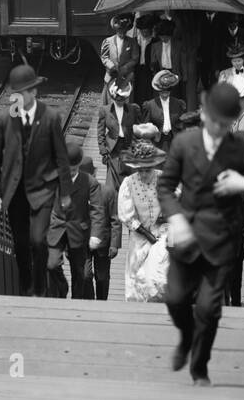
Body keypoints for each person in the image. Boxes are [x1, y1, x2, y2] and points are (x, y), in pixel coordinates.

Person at [158, 82, 244, 385]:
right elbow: (164, 187)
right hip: (185, 235)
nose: (218, 128)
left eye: (224, 124)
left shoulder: (239, 147)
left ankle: (199, 367)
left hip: (220, 241)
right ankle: (186, 339)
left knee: (209, 309)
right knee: (175, 299)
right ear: (204, 112)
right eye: (214, 121)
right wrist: (175, 218)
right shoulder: (183, 143)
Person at [0, 64, 72, 298]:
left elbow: (61, 157)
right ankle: (26, 288)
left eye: (22, 93)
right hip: (15, 193)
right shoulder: (5, 120)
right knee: (21, 244)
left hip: (43, 189)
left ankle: (40, 291)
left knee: (37, 240)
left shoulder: (50, 117)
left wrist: (65, 193)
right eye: (15, 93)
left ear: (34, 92)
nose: (18, 97)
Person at [118, 126, 170, 302]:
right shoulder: (129, 183)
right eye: (140, 170)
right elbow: (127, 216)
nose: (144, 174)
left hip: (161, 232)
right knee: (135, 274)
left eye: (147, 170)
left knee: (158, 276)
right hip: (140, 235)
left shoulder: (163, 178)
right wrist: (147, 235)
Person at [46, 142, 105, 300]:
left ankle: (76, 303)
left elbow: (97, 210)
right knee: (51, 265)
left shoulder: (90, 182)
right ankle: (62, 286)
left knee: (79, 274)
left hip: (79, 229)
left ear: (79, 165)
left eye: (73, 169)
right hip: (57, 226)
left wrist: (96, 235)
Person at [84, 157, 121, 301]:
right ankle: (89, 302)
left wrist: (114, 244)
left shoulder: (108, 192)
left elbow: (115, 220)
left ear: (94, 173)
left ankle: (102, 301)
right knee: (85, 275)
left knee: (102, 277)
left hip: (104, 242)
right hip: (82, 241)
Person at [98, 75, 141, 193]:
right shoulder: (105, 110)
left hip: (128, 146)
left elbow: (137, 129)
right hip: (112, 147)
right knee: (111, 183)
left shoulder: (133, 109)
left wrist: (138, 146)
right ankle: (112, 204)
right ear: (113, 98)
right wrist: (103, 149)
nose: (120, 102)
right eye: (118, 100)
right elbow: (100, 131)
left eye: (122, 100)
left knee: (128, 179)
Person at [100, 13, 140, 104]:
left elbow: (135, 58)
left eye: (124, 31)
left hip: (126, 76)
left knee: (125, 101)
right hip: (112, 75)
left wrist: (125, 67)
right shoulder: (108, 41)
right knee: (111, 100)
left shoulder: (132, 42)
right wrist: (111, 66)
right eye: (119, 31)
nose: (122, 33)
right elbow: (104, 57)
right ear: (116, 30)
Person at [140, 69, 188, 140]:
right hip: (157, 141)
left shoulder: (178, 103)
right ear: (158, 90)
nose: (165, 93)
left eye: (167, 90)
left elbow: (182, 123)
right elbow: (146, 127)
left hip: (174, 139)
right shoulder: (150, 105)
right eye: (162, 91)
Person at [128, 12, 156, 106]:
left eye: (146, 31)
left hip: (149, 70)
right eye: (142, 31)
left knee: (149, 93)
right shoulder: (135, 41)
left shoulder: (155, 41)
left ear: (151, 30)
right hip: (137, 69)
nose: (144, 33)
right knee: (137, 92)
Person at [146, 16, 184, 80]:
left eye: (166, 37)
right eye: (161, 37)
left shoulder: (178, 45)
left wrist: (184, 76)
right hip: (161, 74)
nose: (163, 39)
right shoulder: (155, 46)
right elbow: (153, 62)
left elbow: (182, 62)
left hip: (175, 74)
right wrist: (155, 73)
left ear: (170, 35)